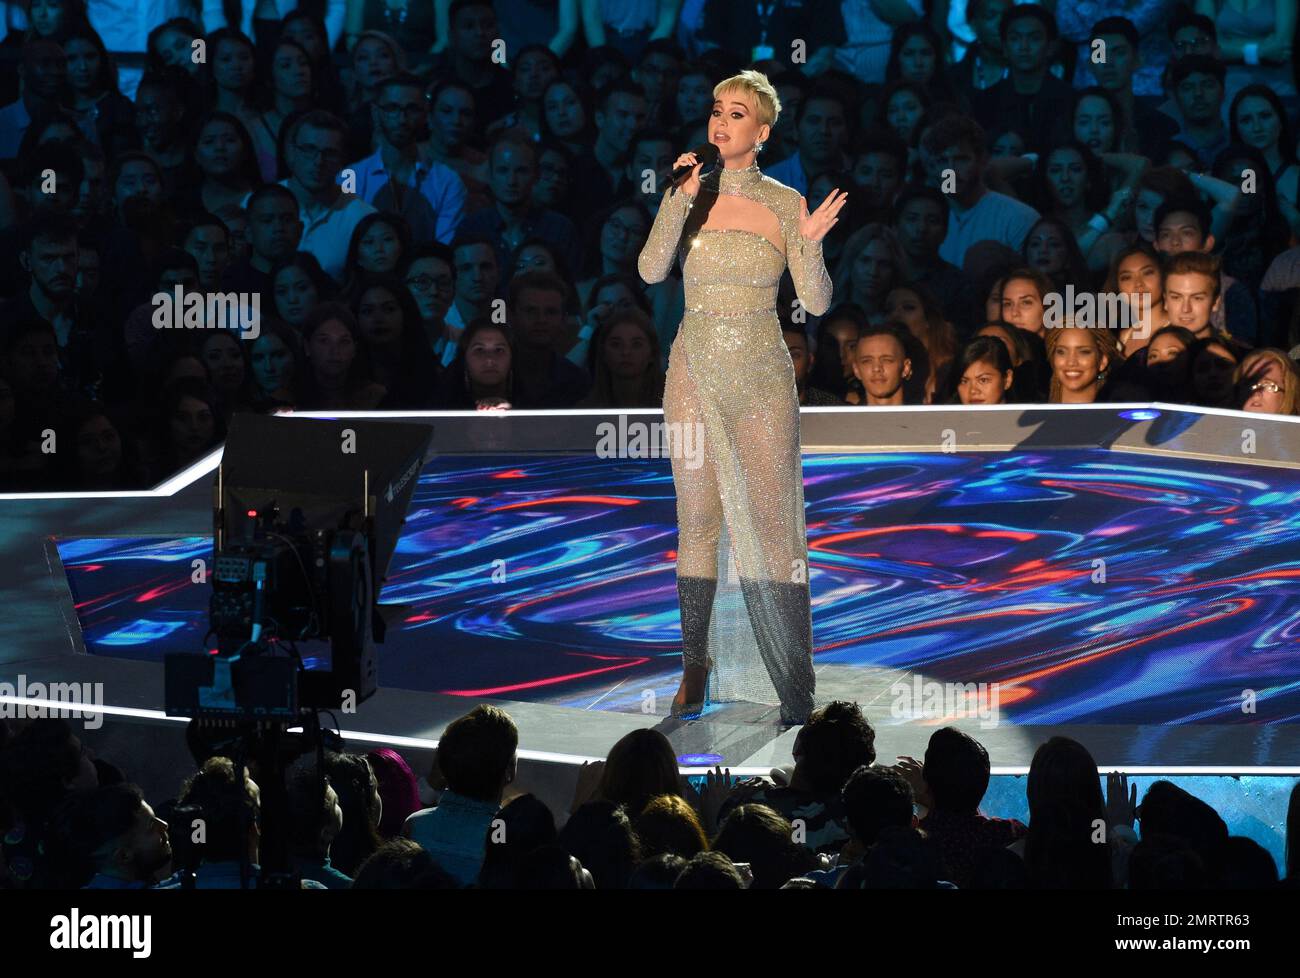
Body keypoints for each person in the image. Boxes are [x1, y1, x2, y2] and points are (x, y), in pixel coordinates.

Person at [638, 69, 844, 726]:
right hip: (693, 360)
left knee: (774, 523)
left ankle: (792, 675)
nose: (721, 123)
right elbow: (649, 270)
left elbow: (814, 303)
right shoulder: (689, 192)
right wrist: (676, 201)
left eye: (737, 114)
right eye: (716, 111)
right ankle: (693, 667)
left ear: (762, 130)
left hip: (760, 365)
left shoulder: (785, 201)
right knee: (696, 517)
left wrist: (809, 247)